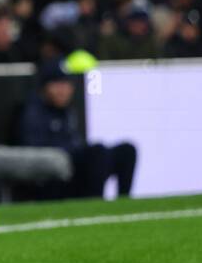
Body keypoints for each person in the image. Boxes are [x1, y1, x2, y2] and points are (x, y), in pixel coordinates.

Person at [17, 59, 136, 200]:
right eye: (57, 84)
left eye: (66, 84)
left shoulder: (67, 112)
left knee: (127, 150)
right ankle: (95, 205)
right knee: (97, 152)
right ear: (45, 87)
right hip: (57, 178)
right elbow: (35, 151)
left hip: (78, 166)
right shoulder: (33, 112)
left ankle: (123, 204)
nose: (63, 90)